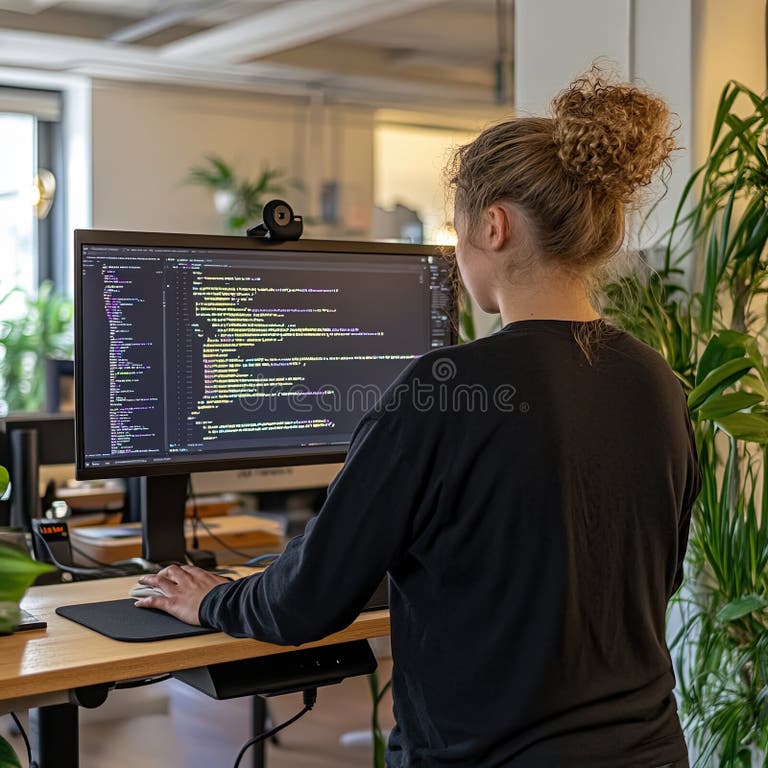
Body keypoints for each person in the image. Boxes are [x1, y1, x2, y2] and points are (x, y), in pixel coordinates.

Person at [137, 68, 701, 768]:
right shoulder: (657, 380)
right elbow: (649, 574)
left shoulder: (447, 388)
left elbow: (306, 602)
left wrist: (214, 600)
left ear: (492, 226)